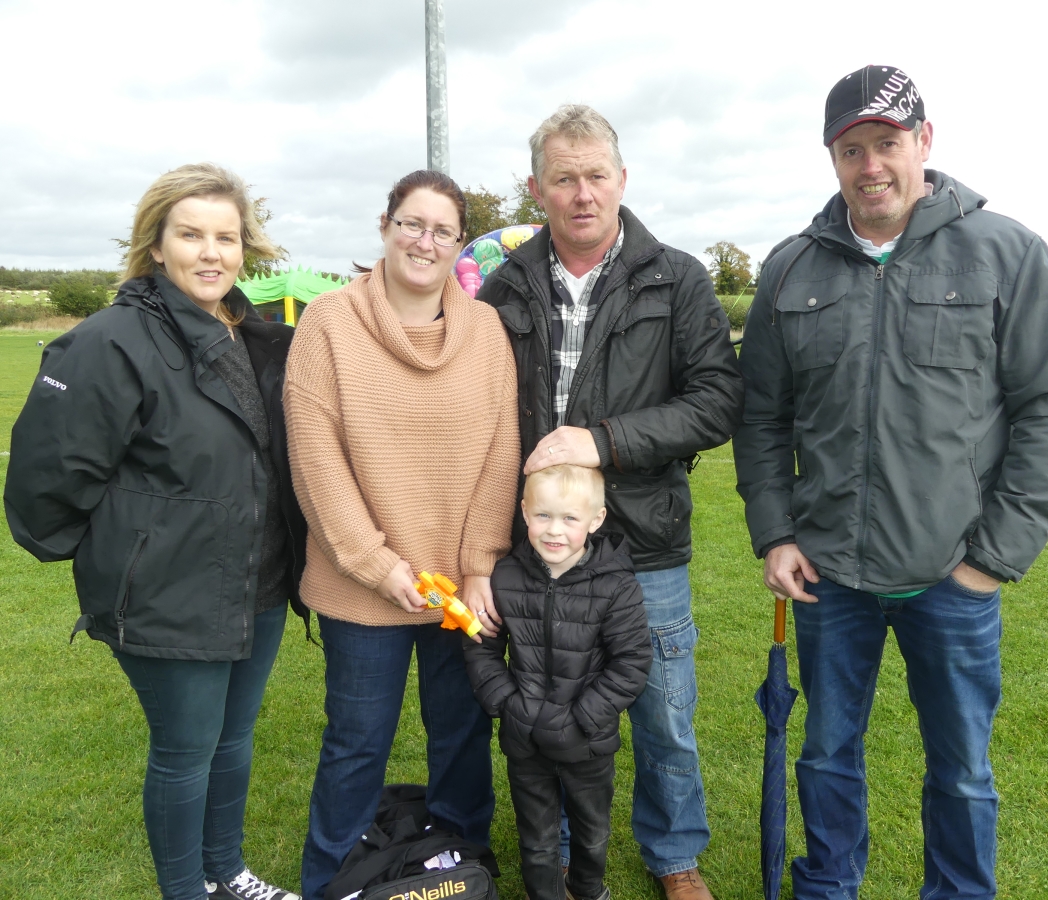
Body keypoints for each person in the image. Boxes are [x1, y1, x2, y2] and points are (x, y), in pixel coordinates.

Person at [733, 66, 1048, 899]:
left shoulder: (1006, 251)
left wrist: (992, 559)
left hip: (952, 578)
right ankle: (828, 886)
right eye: (851, 149)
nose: (871, 167)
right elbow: (763, 423)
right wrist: (777, 534)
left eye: (886, 144)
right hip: (830, 576)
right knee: (825, 753)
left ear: (924, 141)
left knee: (962, 769)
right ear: (832, 158)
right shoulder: (790, 268)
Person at [5, 163, 307, 900]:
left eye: (226, 237)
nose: (212, 253)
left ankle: (226, 872)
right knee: (185, 751)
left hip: (257, 580)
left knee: (233, 743)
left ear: (247, 249)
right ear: (157, 245)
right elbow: (47, 487)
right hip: (170, 591)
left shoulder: (247, 331)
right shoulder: (110, 341)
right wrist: (132, 549)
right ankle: (186, 891)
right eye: (191, 235)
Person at [477, 104, 743, 899]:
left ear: (623, 180)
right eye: (564, 178)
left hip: (643, 542)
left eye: (597, 175)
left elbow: (717, 400)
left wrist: (604, 440)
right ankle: (553, 846)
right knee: (547, 701)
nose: (582, 192)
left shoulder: (678, 278)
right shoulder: (503, 286)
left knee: (662, 710)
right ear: (538, 189)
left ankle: (675, 855)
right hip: (539, 547)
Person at [284, 169, 520, 900]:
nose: (425, 241)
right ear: (384, 227)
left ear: (459, 245)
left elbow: (500, 451)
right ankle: (332, 880)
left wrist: (481, 565)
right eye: (411, 224)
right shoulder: (328, 322)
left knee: (462, 738)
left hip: (457, 589)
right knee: (356, 745)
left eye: (442, 230)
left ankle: (459, 866)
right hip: (364, 589)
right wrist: (375, 563)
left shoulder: (485, 330)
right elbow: (315, 458)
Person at [464, 464, 651, 900]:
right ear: (524, 512)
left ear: (596, 520)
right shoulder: (505, 576)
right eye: (543, 515)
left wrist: (585, 717)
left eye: (570, 518)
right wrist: (509, 706)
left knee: (591, 833)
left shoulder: (616, 586)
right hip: (524, 739)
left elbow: (632, 661)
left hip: (588, 741)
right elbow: (482, 648)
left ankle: (588, 890)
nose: (555, 531)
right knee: (537, 838)